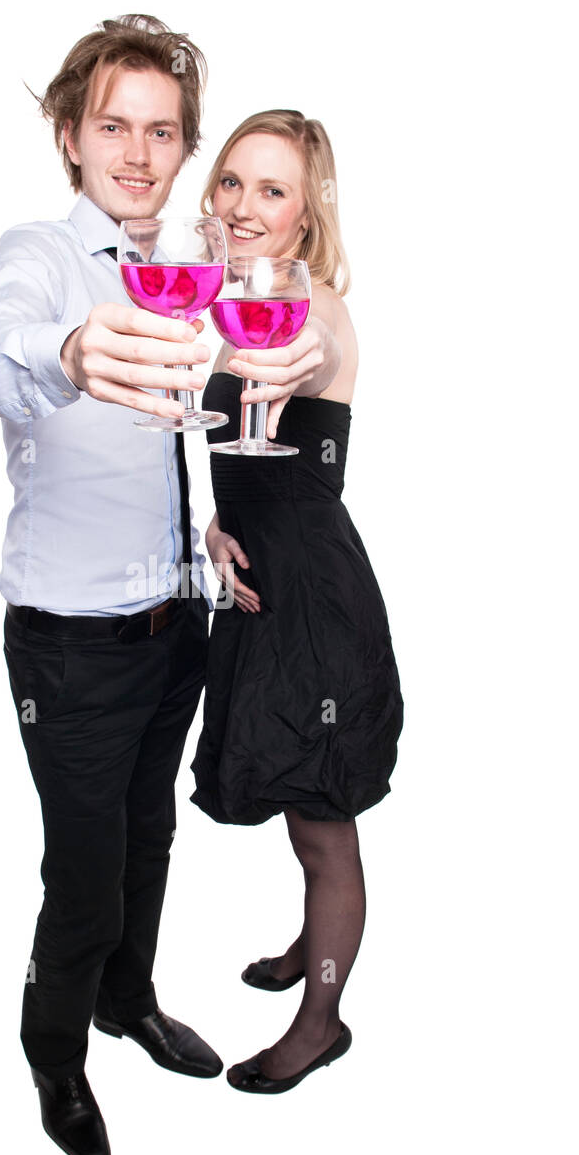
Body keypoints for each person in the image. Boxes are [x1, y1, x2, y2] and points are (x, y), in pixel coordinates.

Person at [0, 22, 341, 1155]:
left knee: (148, 840)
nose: (137, 151)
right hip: (68, 645)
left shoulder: (184, 273)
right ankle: (54, 1052)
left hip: (176, 625)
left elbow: (174, 435)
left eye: (161, 131)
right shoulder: (40, 256)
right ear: (70, 136)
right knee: (81, 871)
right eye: (112, 125)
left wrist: (203, 527)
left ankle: (128, 999)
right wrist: (68, 350)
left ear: (182, 151)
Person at [190, 110, 404, 1093]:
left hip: (315, 608)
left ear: (306, 214)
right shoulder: (230, 300)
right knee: (293, 799)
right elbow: (231, 460)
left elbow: (290, 357)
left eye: (271, 190)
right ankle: (305, 949)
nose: (243, 205)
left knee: (324, 827)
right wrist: (208, 528)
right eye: (233, 182)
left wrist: (259, 352)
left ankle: (321, 1017)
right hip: (258, 591)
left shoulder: (304, 313)